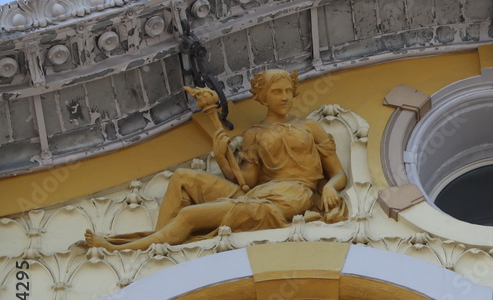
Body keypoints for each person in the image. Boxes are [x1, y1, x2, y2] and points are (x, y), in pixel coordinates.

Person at [85, 69, 348, 251]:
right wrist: (222, 159)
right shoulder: (254, 134)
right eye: (277, 91)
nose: (285, 97)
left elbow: (339, 174)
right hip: (257, 193)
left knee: (189, 215)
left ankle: (130, 247)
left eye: (289, 91)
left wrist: (328, 187)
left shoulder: (310, 128)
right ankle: (161, 239)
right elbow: (247, 181)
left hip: (289, 199)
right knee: (182, 178)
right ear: (263, 96)